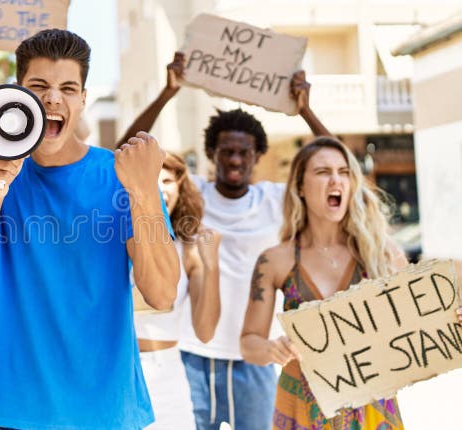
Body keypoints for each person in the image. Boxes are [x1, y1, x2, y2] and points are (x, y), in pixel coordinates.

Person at [0, 29, 180, 430]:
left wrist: (142, 193)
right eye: (39, 86)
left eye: (68, 88)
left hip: (106, 413)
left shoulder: (121, 178)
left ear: (83, 100)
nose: (53, 98)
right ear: (18, 93)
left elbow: (161, 294)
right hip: (11, 412)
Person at [119, 52, 331, 430]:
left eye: (244, 152)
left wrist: (306, 113)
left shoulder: (275, 202)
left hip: (255, 358)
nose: (235, 160)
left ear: (258, 155)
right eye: (227, 151)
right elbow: (123, 155)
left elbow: (335, 167)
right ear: (212, 154)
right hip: (190, 356)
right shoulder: (190, 195)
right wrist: (167, 93)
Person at [239, 137, 406, 429]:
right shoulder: (275, 260)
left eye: (344, 172)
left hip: (371, 409)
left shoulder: (381, 253)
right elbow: (248, 343)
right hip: (302, 408)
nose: (335, 180)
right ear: (300, 187)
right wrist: (273, 349)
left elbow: (415, 322)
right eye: (322, 172)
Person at [134, 152, 222, 429]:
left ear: (180, 186)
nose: (160, 187)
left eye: (168, 180)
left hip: (168, 377)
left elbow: (205, 332)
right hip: (119, 373)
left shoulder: (189, 250)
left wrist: (212, 268)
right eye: (151, 179)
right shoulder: (113, 242)